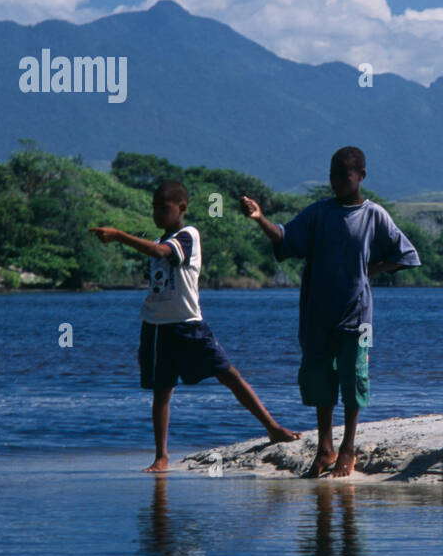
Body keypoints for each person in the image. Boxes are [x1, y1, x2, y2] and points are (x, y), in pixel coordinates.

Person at [90, 181, 297, 472]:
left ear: (182, 208)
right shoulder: (163, 241)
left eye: (164, 208)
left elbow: (162, 252)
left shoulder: (187, 236)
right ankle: (161, 456)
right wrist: (143, 343)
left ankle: (272, 427)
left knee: (229, 375)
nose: (157, 214)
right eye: (154, 209)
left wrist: (119, 236)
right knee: (161, 392)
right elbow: (156, 291)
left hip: (188, 325)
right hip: (156, 328)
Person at [240, 147, 420, 478]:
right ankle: (325, 448)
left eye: (344, 176)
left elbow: (406, 254)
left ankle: (348, 449)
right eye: (333, 176)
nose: (337, 182)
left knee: (354, 380)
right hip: (317, 314)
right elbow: (285, 237)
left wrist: (371, 270)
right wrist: (260, 218)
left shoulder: (373, 215)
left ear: (361, 176)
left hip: (358, 315)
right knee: (320, 381)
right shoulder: (318, 214)